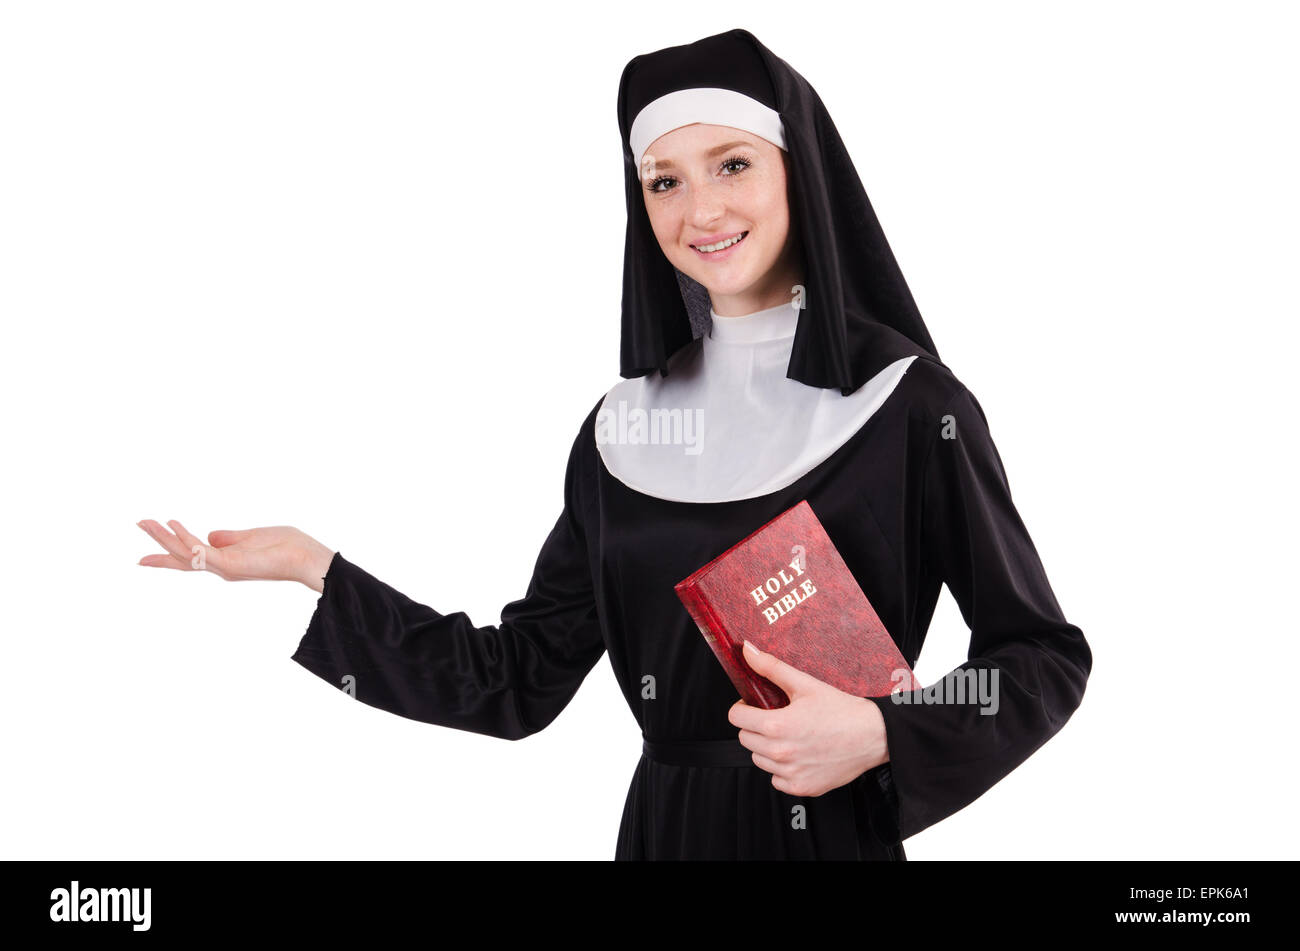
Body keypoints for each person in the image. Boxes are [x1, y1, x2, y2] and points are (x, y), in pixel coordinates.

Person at [137, 28, 1092, 860]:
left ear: (797, 167)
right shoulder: (621, 431)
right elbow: (515, 680)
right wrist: (319, 570)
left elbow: (1043, 656)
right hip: (659, 836)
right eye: (663, 183)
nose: (701, 212)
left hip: (827, 839)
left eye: (732, 164)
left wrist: (885, 731)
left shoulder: (909, 406)